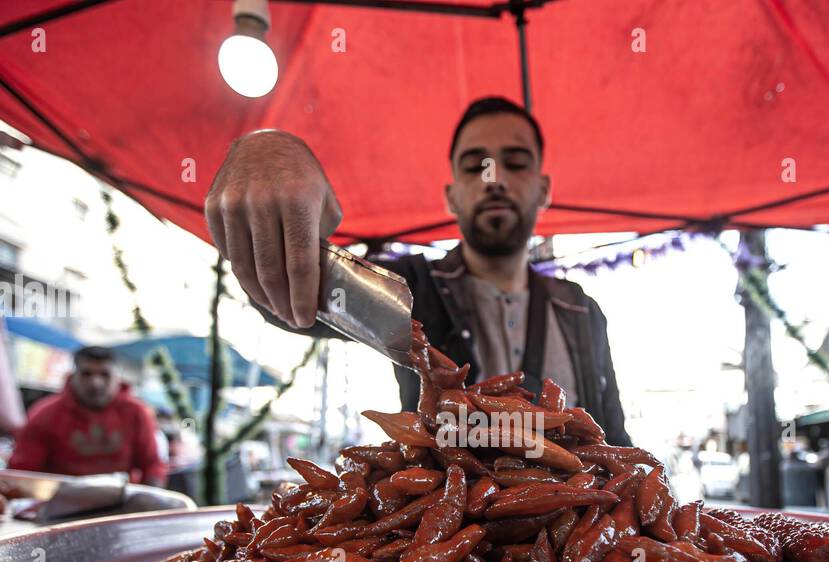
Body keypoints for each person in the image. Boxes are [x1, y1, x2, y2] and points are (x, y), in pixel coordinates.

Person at [205, 96, 631, 445]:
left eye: (516, 163)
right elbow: (293, 298)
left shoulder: (580, 309)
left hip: (581, 544)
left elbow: (616, 439)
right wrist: (267, 151)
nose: (494, 179)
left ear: (543, 190)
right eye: (474, 165)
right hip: (446, 541)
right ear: (450, 195)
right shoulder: (411, 290)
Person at [9, 346, 166, 486]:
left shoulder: (136, 413)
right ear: (73, 376)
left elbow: (152, 465)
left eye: (105, 375)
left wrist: (148, 503)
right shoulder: (44, 414)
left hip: (121, 506)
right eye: (87, 374)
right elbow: (23, 471)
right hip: (59, 508)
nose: (96, 383)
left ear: (117, 378)